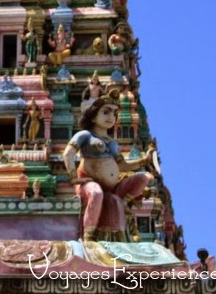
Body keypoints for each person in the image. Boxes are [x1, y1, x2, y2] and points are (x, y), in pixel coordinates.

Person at [62, 90, 155, 242]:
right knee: (96, 193)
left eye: (114, 114)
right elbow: (68, 154)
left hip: (112, 188)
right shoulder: (85, 135)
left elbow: (123, 166)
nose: (111, 117)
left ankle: (124, 203)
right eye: (106, 112)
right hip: (88, 183)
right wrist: (74, 179)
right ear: (93, 116)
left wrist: (145, 161)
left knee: (144, 178)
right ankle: (89, 236)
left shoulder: (112, 142)